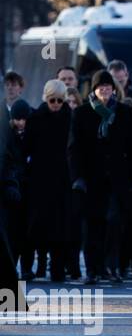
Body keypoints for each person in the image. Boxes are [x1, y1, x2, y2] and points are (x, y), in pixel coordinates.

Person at [68, 70, 132, 285]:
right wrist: (77, 176)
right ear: (94, 90)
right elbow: (74, 148)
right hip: (91, 178)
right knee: (92, 226)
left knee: (114, 223)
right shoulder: (82, 113)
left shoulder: (124, 112)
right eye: (100, 87)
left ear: (114, 89)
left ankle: (111, 266)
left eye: (107, 87)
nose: (104, 90)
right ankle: (92, 269)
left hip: (117, 178)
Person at [26, 81, 76, 282]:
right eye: (52, 100)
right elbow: (28, 148)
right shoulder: (35, 118)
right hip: (39, 179)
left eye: (59, 100)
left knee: (59, 228)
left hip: (62, 179)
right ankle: (29, 267)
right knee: (34, 226)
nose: (56, 104)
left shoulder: (70, 118)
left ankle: (57, 269)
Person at [3, 99, 32, 280]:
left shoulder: (32, 134)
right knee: (12, 232)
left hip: (27, 188)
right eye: (17, 119)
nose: (20, 123)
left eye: (23, 119)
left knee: (25, 232)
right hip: (11, 190)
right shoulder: (6, 135)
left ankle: (26, 267)